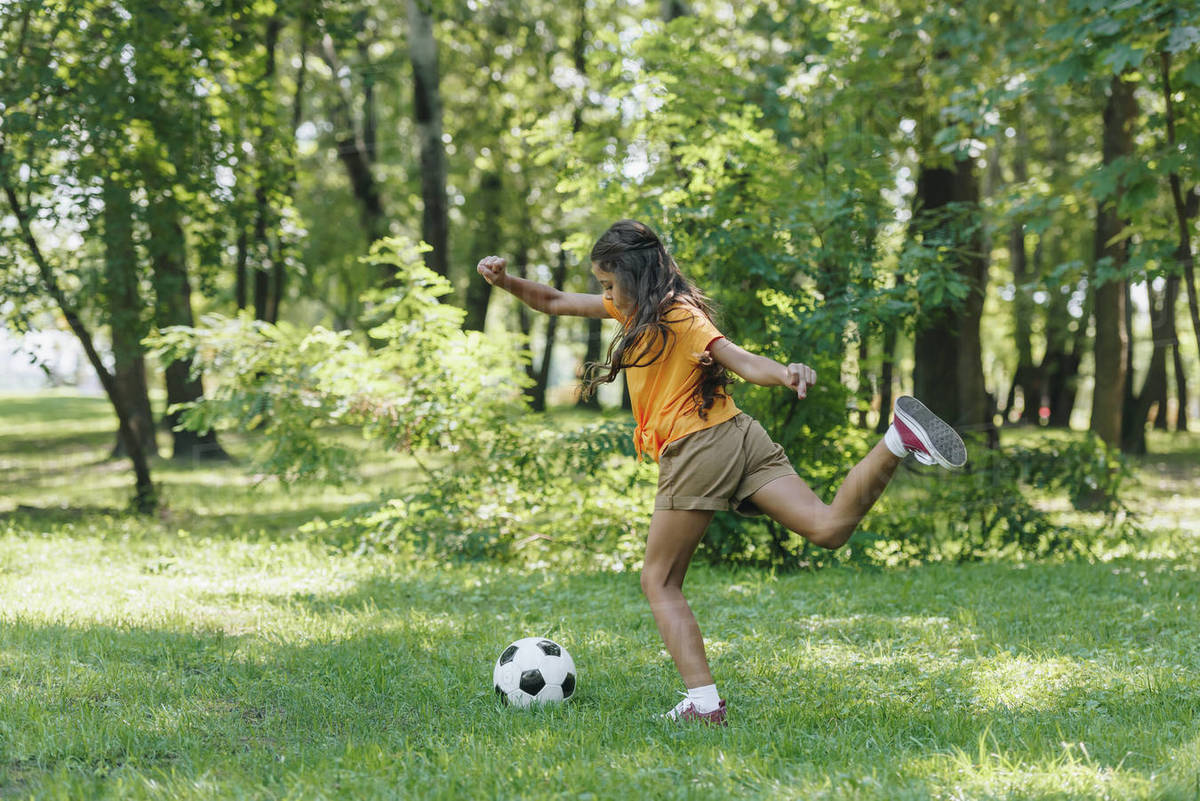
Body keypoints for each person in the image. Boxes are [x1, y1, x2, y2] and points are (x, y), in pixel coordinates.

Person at [476, 219, 966, 725]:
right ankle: (897, 438)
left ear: (635, 276)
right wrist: (505, 282)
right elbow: (554, 301)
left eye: (607, 284)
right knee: (828, 528)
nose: (604, 295)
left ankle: (704, 705)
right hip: (738, 434)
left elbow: (735, 358)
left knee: (658, 579)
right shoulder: (634, 311)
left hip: (697, 446)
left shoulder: (678, 316)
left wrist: (783, 372)